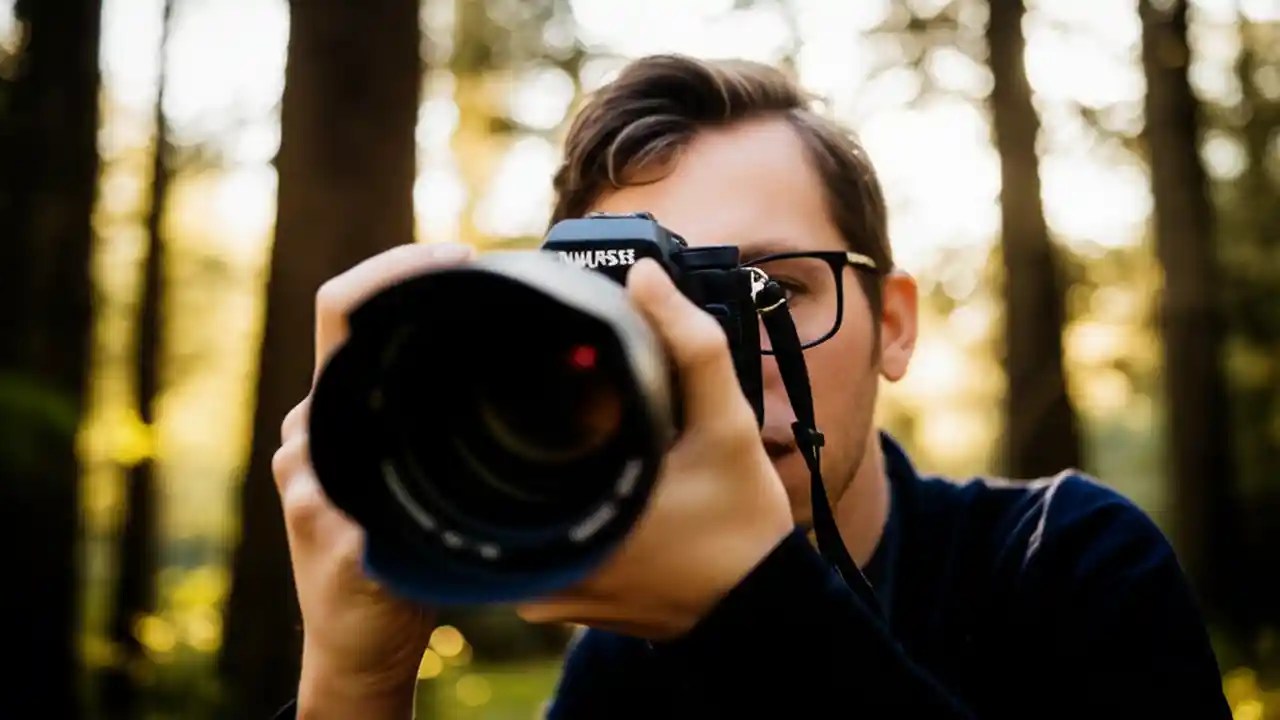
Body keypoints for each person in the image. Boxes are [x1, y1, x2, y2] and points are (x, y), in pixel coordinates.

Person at [270, 54, 1232, 719]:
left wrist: (748, 613)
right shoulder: (621, 653)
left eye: (769, 292)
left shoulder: (1061, 562)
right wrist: (357, 678)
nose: (707, 358)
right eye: (643, 310)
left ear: (892, 323)